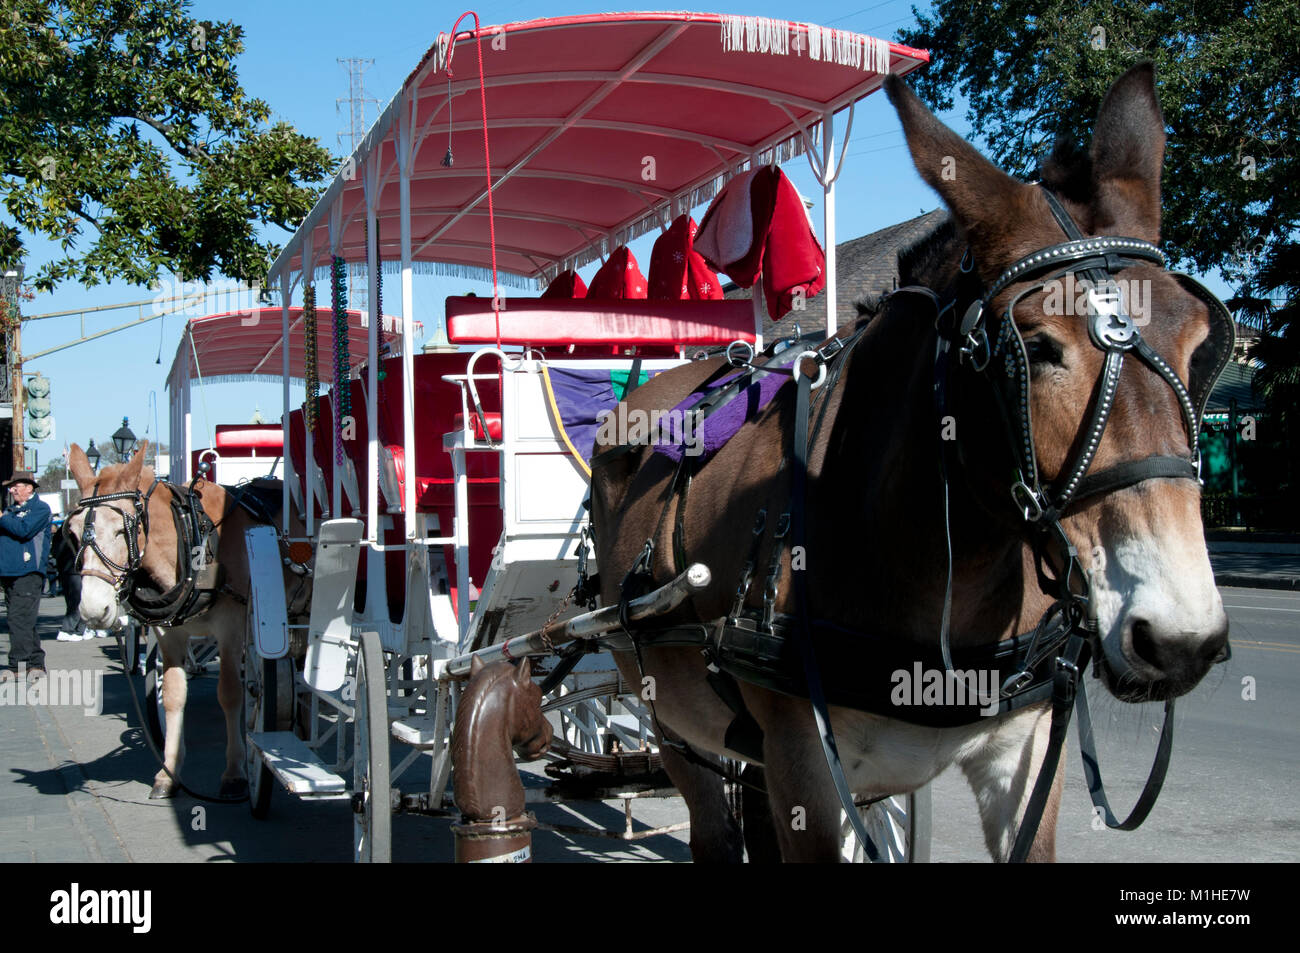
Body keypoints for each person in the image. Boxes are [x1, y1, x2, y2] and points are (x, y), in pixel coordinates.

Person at [0, 470, 52, 681]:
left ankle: (17, 666)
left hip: (28, 572)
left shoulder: (39, 509)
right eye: (11, 487)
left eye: (16, 486)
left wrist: (2, 518)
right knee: (24, 620)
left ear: (29, 488)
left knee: (17, 619)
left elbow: (24, 530)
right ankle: (35, 663)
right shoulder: (11, 511)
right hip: (10, 573)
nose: (12, 490)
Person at [53, 522, 93, 641]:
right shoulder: (76, 534)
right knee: (76, 601)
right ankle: (75, 629)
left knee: (74, 600)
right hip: (73, 569)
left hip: (69, 569)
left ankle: (74, 628)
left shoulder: (62, 534)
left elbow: (55, 551)